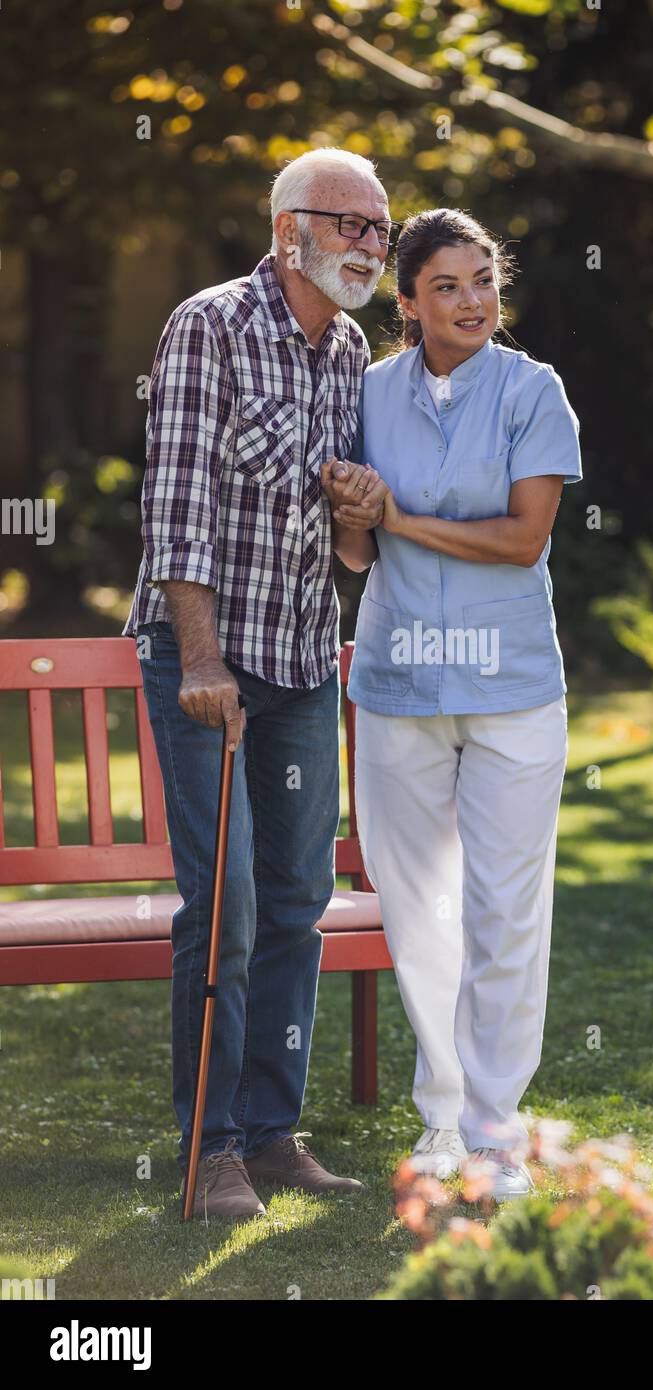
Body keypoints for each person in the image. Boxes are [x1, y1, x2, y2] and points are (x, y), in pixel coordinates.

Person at [122, 147, 392, 1218]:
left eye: (380, 227)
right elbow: (176, 503)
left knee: (294, 901)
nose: (372, 245)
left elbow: (345, 543)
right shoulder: (209, 324)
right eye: (352, 225)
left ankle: (274, 1131)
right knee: (223, 906)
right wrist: (197, 659)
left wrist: (356, 503)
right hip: (209, 667)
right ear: (290, 231)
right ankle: (212, 1145)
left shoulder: (351, 347)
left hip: (301, 659)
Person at [325, 209, 583, 1200]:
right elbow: (356, 554)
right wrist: (358, 516)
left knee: (506, 911)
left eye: (484, 280)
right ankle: (442, 1116)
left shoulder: (532, 391)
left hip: (512, 689)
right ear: (408, 303)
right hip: (394, 684)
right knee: (417, 909)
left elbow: (523, 539)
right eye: (448, 285)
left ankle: (496, 1131)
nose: (473, 300)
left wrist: (398, 516)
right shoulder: (366, 392)